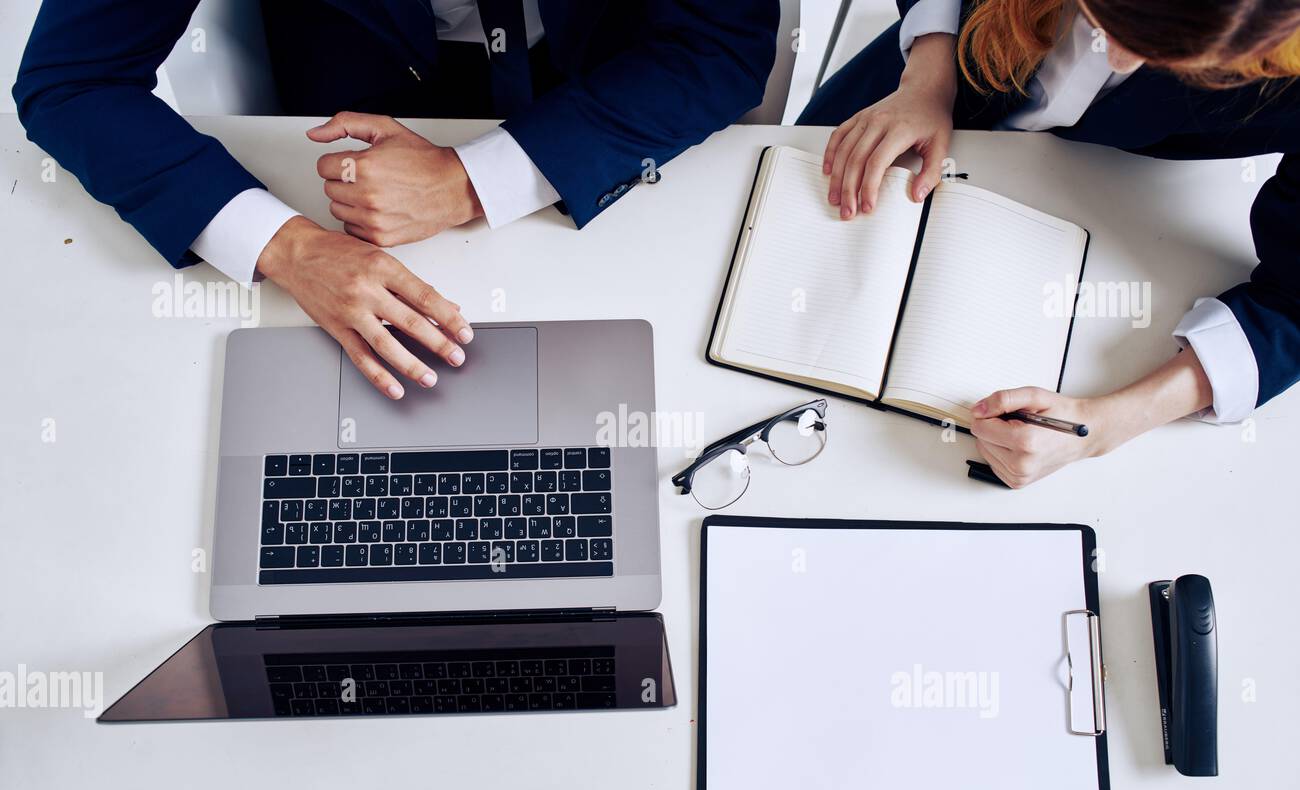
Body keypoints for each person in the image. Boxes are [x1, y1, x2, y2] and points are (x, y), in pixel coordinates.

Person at [14, 0, 778, 399]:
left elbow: (721, 42)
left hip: (611, 93)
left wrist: (475, 179)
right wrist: (287, 245)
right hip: (347, 114)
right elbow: (72, 80)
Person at [800, 0, 1300, 487]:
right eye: (1107, 16)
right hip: (931, 63)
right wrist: (927, 78)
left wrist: (1103, 426)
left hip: (1089, 191)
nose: (1119, 60)